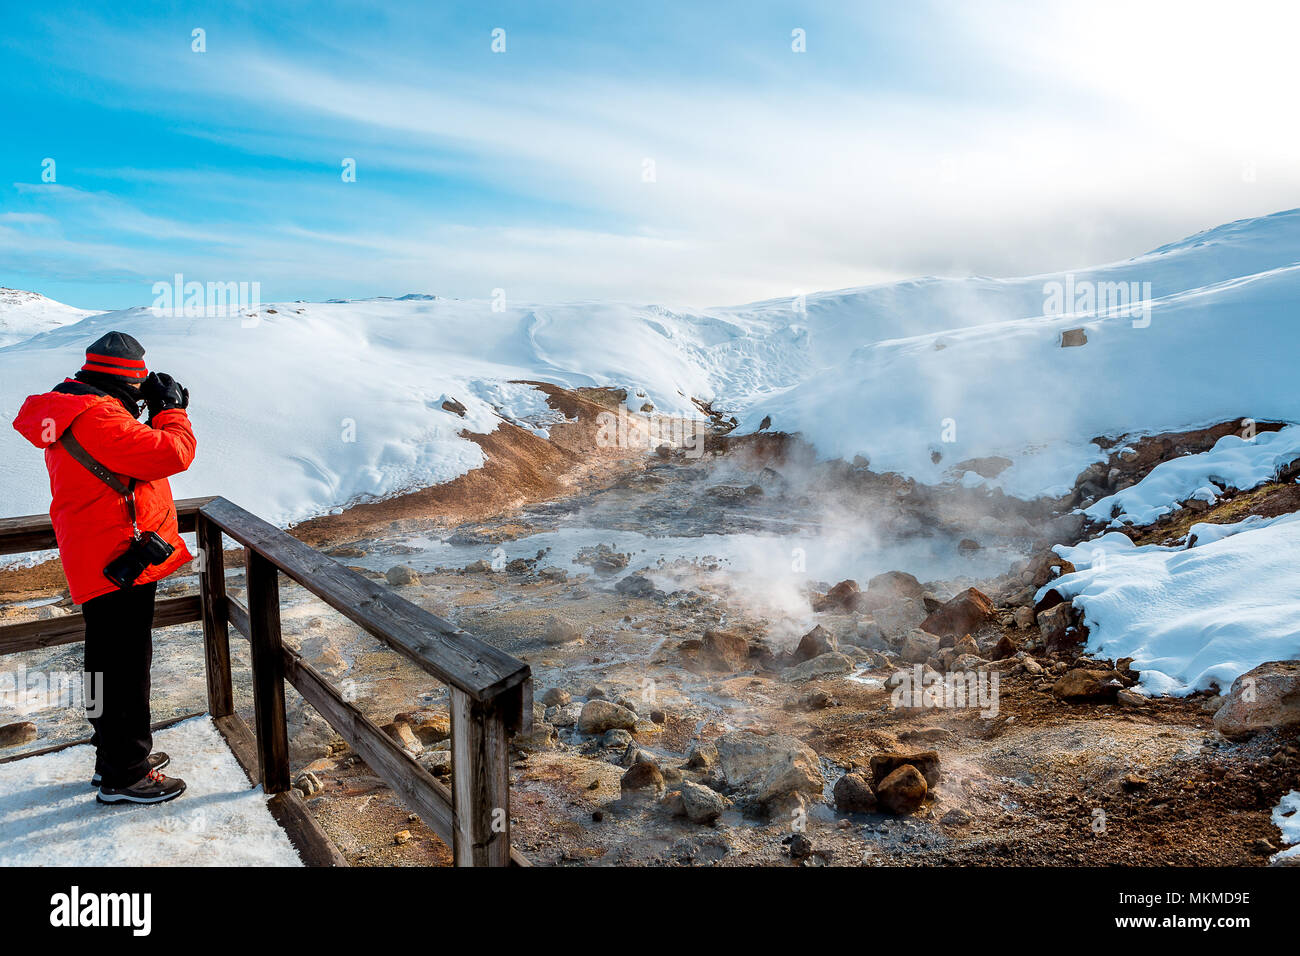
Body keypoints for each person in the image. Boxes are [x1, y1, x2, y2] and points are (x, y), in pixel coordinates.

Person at [12, 331, 196, 804]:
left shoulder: (69, 408)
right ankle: (126, 777)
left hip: (99, 555)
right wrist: (171, 409)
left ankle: (114, 758)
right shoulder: (99, 417)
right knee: (124, 670)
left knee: (107, 663)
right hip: (119, 560)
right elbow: (173, 453)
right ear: (124, 382)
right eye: (138, 386)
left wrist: (145, 407)